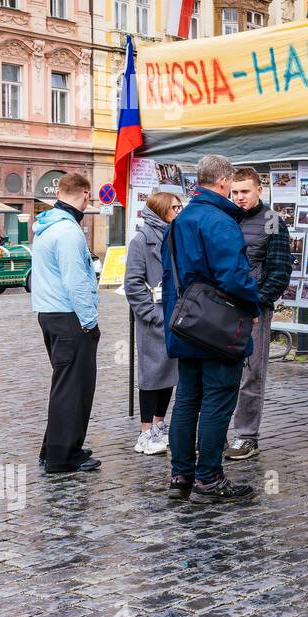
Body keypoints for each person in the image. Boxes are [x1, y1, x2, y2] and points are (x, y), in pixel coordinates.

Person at [161, 154, 261, 504]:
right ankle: (209, 479)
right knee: (218, 401)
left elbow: (169, 277)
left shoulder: (179, 220)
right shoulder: (218, 221)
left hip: (186, 326)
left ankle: (181, 476)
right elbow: (233, 276)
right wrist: (254, 304)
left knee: (188, 400)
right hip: (217, 329)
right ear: (222, 182)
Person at [31, 173, 101, 474]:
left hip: (49, 313)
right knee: (74, 387)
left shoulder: (46, 227)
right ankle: (63, 456)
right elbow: (76, 282)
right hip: (69, 315)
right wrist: (89, 322)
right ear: (85, 195)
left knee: (64, 383)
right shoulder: (69, 232)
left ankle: (57, 446)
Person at [226, 168, 292, 461]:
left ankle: (246, 436)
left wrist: (257, 303)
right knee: (221, 371)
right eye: (235, 192)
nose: (240, 197)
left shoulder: (272, 223)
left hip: (253, 310)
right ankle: (217, 432)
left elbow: (279, 273)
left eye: (245, 192)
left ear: (259, 190)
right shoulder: (226, 218)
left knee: (251, 373)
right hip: (221, 308)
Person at [124, 192, 182, 457]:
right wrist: (151, 314)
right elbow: (133, 284)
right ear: (161, 210)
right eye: (175, 207)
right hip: (154, 319)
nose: (179, 211)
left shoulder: (176, 235)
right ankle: (145, 430)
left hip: (173, 318)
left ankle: (159, 423)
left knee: (169, 374)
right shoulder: (141, 241)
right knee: (150, 376)